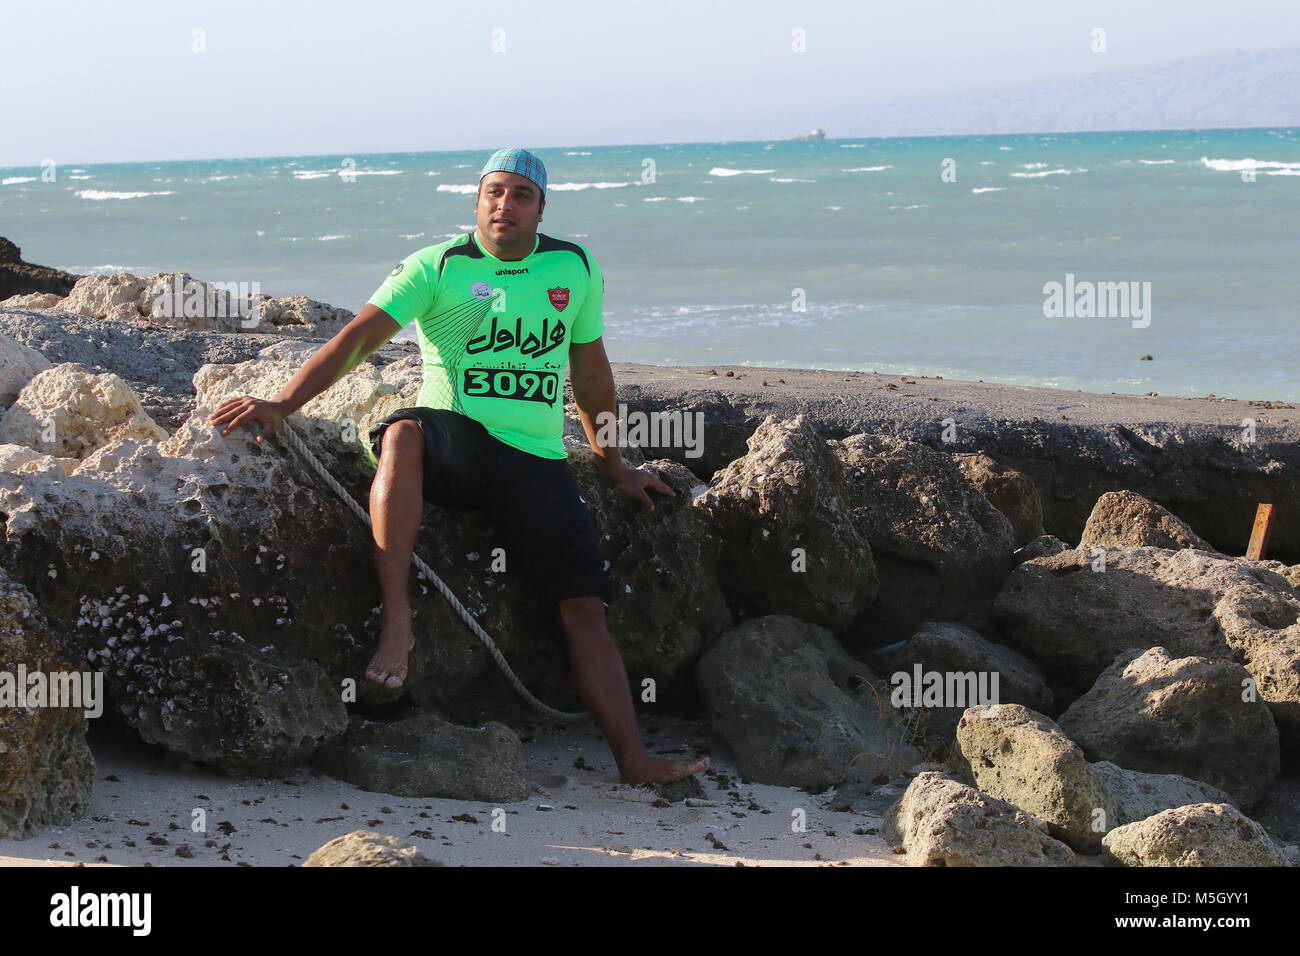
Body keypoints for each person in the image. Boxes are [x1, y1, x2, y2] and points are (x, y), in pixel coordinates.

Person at [208, 147, 708, 784]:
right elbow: (357, 338)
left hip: (534, 457)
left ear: (540, 208)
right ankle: (398, 617)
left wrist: (615, 465)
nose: (505, 204)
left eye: (521, 194)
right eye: (494, 191)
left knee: (584, 605)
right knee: (403, 434)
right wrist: (283, 402)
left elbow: (591, 374)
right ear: (477, 201)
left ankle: (633, 758)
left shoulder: (573, 266)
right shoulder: (439, 265)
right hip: (459, 442)